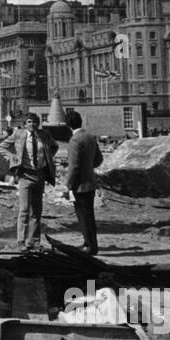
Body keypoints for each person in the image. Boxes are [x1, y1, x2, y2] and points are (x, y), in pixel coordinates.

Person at [0, 112, 55, 248]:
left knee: (36, 210)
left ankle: (33, 241)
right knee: (24, 209)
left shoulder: (44, 135)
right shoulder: (18, 134)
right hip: (25, 176)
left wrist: (48, 159)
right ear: (25, 124)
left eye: (35, 122)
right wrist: (12, 158)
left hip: (39, 175)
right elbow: (1, 147)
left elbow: (54, 147)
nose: (32, 124)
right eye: (29, 122)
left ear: (38, 123)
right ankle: (21, 241)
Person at [64, 109, 103, 255]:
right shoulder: (90, 137)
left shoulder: (75, 140)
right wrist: (88, 167)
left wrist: (67, 187)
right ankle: (92, 244)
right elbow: (99, 160)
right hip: (90, 182)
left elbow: (73, 166)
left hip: (79, 185)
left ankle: (89, 246)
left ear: (68, 125)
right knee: (89, 215)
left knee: (83, 216)